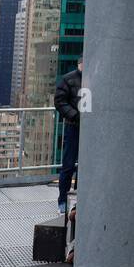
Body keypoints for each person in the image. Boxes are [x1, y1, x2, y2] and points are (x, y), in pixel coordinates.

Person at [54, 59, 83, 213]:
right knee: (68, 166)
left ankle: (77, 202)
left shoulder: (94, 79)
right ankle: (63, 202)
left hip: (88, 130)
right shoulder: (68, 79)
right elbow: (59, 101)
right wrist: (75, 116)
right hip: (73, 128)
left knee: (84, 168)